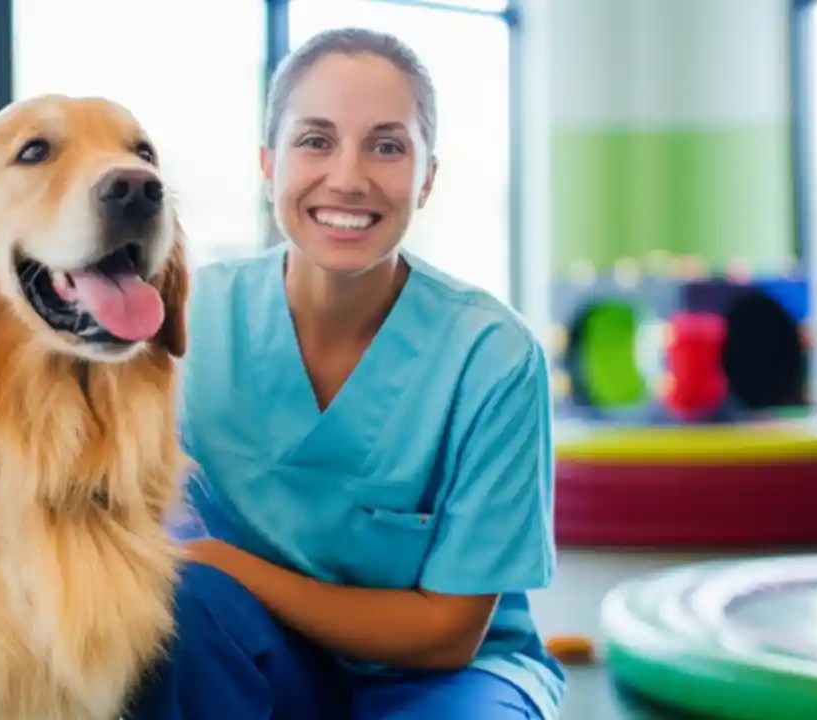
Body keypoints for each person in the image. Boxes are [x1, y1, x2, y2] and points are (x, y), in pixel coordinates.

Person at [128, 27, 565, 720]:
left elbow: (449, 633)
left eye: (387, 147)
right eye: (315, 140)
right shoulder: (183, 322)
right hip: (252, 652)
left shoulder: (494, 358)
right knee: (185, 604)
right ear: (268, 164)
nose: (349, 177)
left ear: (427, 178)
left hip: (446, 679)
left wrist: (227, 562)